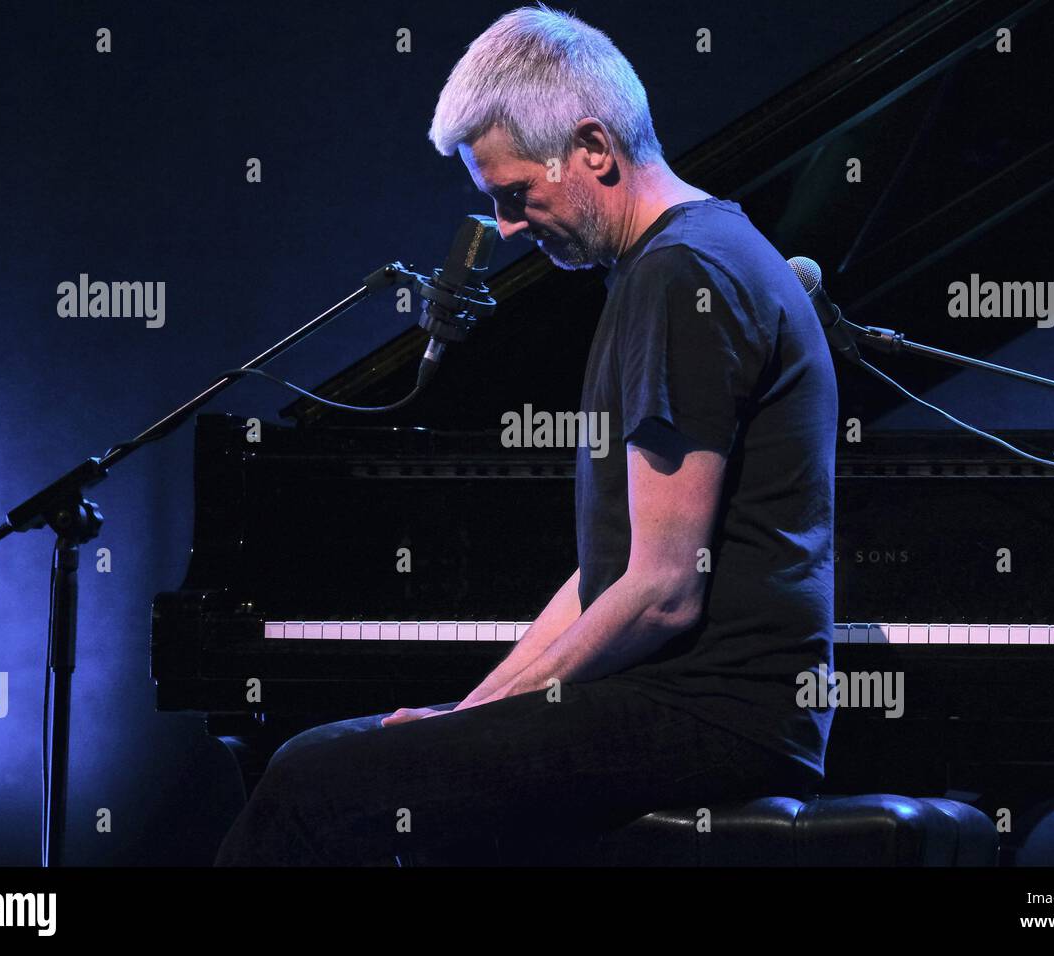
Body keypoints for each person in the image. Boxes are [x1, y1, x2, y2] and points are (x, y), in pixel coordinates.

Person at [215, 2, 837, 866]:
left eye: (515, 194)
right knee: (325, 762)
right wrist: (468, 713)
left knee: (312, 784)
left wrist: (475, 722)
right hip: (693, 704)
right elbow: (606, 574)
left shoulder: (683, 273)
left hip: (711, 712)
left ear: (592, 148)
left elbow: (663, 591)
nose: (506, 227)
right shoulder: (679, 262)